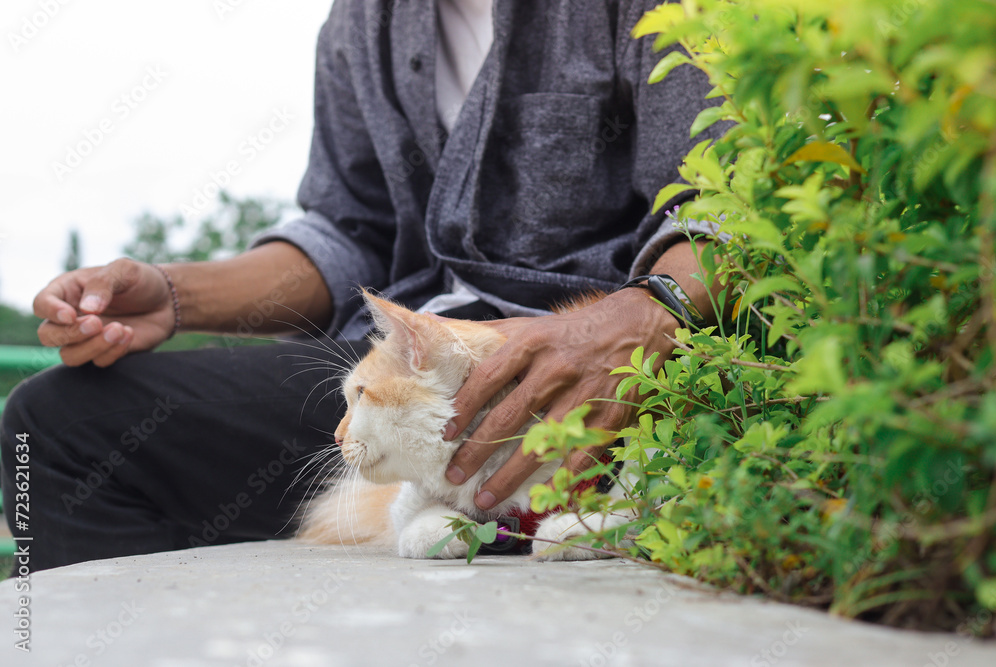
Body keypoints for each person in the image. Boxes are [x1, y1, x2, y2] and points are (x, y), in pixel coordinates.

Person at [1, 0, 723, 571]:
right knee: (62, 422)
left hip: (600, 370)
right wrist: (177, 291)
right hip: (398, 383)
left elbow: (724, 201)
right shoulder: (358, 20)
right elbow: (350, 229)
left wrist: (648, 314)